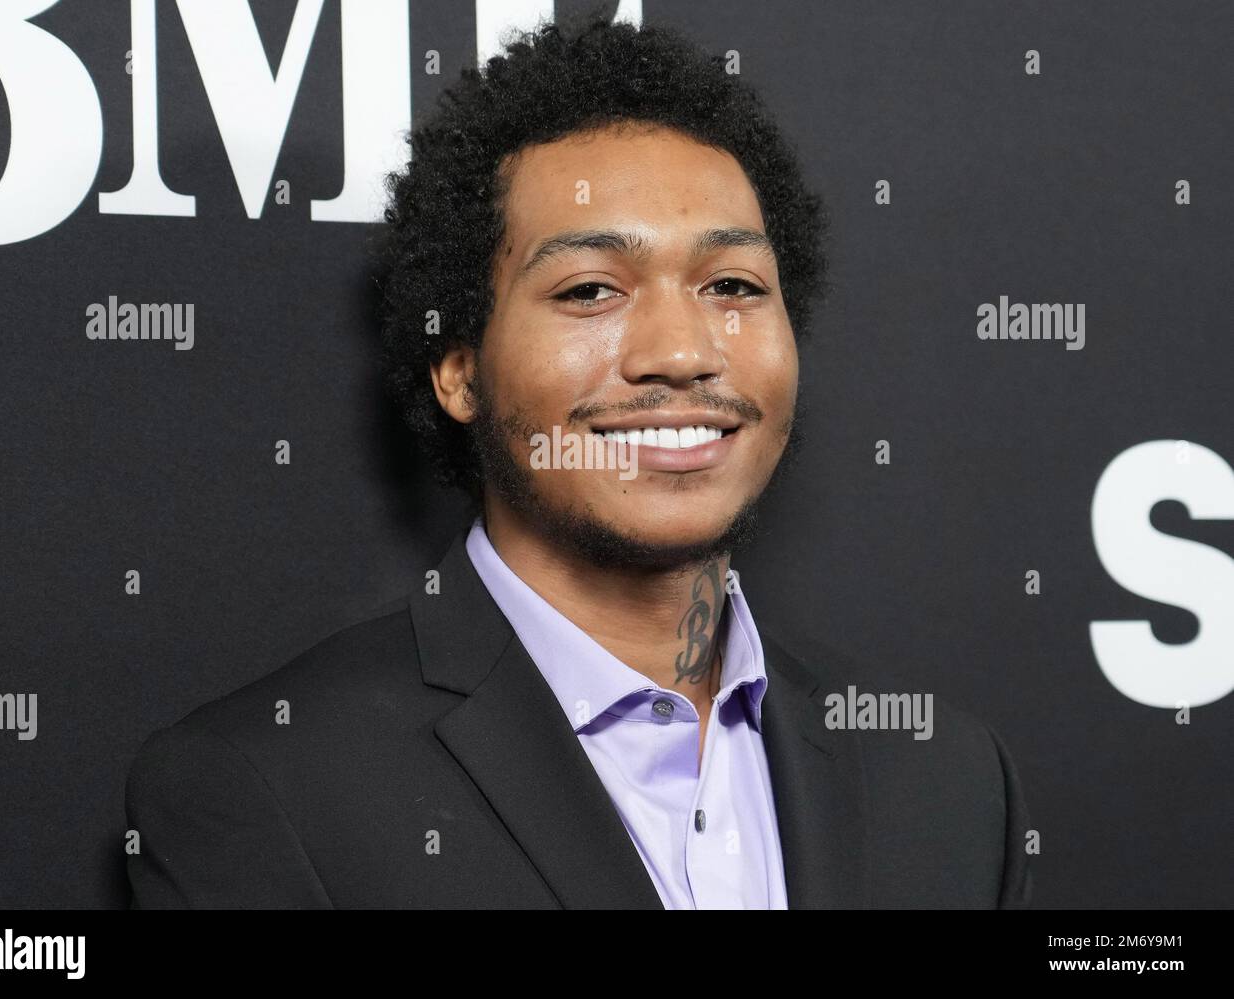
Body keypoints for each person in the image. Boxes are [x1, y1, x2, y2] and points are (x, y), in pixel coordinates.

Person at [125, 17, 1032, 909]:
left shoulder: (947, 779)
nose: (680, 352)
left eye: (732, 286)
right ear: (460, 371)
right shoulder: (266, 788)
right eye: (590, 290)